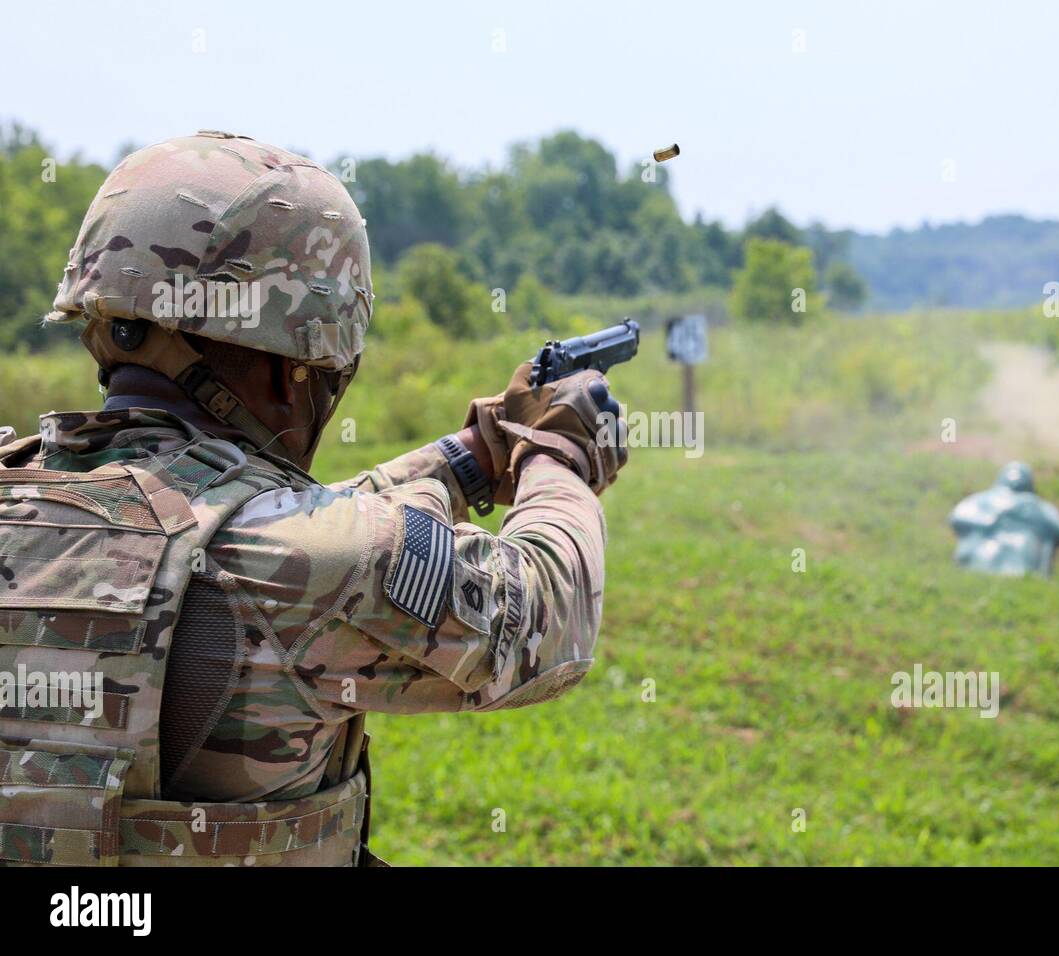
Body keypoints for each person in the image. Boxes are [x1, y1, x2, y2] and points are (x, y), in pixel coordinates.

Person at [0, 131, 625, 866]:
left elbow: (241, 520)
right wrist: (559, 454)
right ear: (291, 373)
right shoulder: (306, 563)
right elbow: (549, 614)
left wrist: (470, 463)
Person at [948, 461, 1059, 577]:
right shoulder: (983, 498)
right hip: (988, 541)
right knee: (988, 552)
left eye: (1022, 473)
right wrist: (989, 521)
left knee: (1022, 545)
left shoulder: (1036, 505)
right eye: (1011, 471)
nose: (1016, 476)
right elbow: (958, 517)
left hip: (1023, 543)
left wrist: (1034, 518)